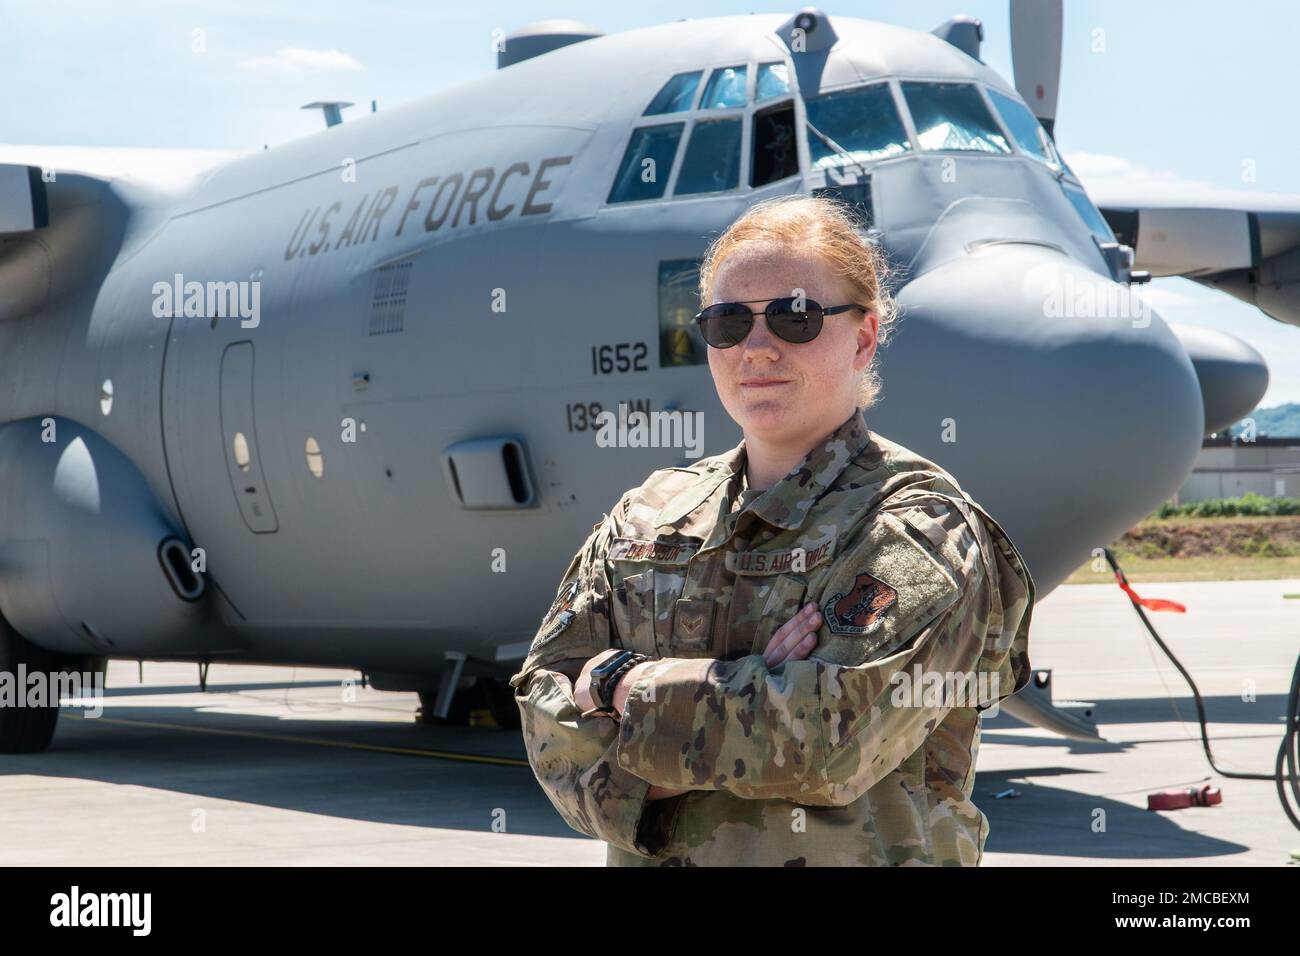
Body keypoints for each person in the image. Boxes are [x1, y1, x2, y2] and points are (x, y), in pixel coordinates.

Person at [509, 194, 1033, 866]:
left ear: (864, 336)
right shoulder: (648, 515)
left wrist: (616, 686)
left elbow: (825, 744)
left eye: (795, 316)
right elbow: (545, 725)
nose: (756, 347)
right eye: (728, 322)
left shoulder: (918, 525)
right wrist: (752, 685)